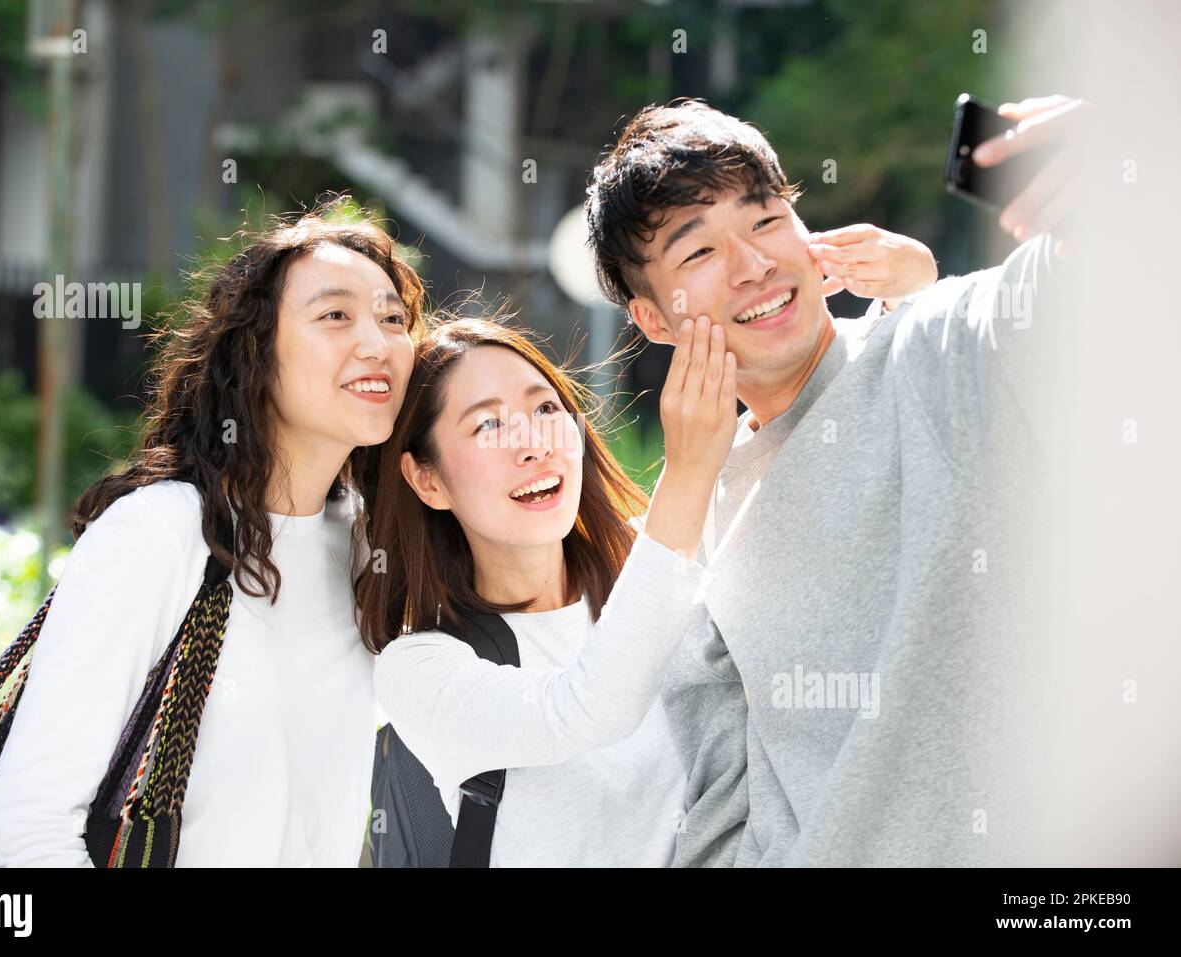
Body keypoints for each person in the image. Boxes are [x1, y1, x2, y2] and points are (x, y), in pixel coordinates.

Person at [364, 193, 939, 864]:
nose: (532, 443)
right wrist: (688, 472)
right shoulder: (420, 670)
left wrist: (916, 294)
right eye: (487, 423)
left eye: (545, 407)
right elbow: (590, 708)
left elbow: (839, 464)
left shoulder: (663, 567)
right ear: (427, 478)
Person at [584, 97, 1077, 865]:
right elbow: (714, 796)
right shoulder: (688, 523)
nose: (754, 265)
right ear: (654, 318)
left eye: (765, 219)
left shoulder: (931, 348)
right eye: (698, 253)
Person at [0, 203, 426, 866]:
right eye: (335, 315)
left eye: (393, 319)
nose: (377, 342)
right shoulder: (159, 534)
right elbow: (26, 825)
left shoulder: (369, 548)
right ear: (255, 350)